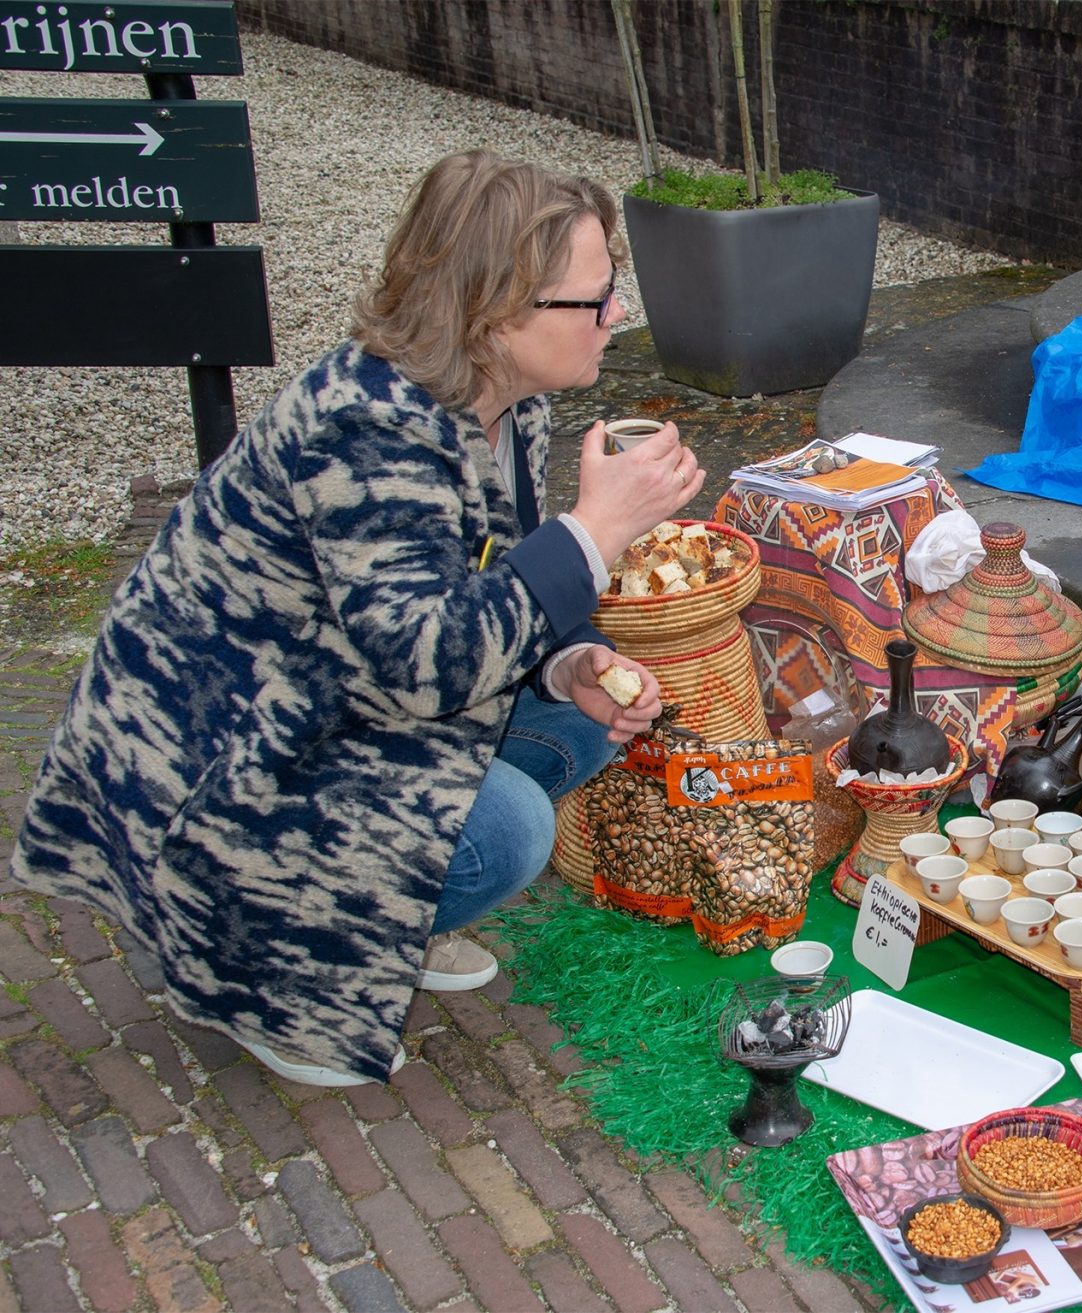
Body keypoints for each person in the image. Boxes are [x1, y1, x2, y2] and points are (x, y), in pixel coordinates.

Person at [11, 150, 707, 1085]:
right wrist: (597, 531)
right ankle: (278, 980)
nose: (616, 314)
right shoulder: (367, 427)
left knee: (590, 717)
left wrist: (570, 661)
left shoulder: (511, 402)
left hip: (345, 691)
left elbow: (488, 573)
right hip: (228, 753)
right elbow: (427, 666)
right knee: (507, 832)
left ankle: (388, 919)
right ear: (497, 311)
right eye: (594, 299)